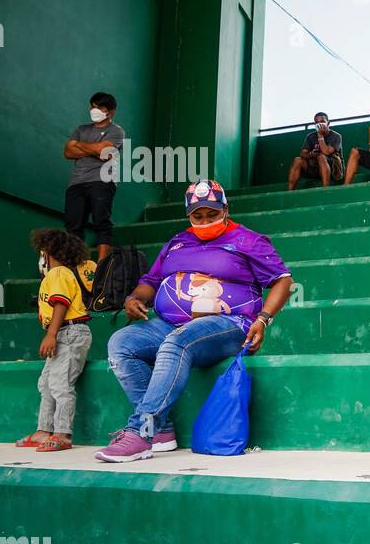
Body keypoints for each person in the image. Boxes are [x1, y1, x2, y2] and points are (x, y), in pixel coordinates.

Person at [95, 180, 293, 463]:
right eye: (197, 216)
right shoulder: (177, 242)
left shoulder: (248, 240)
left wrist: (263, 319)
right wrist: (135, 297)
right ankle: (161, 431)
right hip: (169, 323)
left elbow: (282, 281)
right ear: (188, 214)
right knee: (121, 343)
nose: (204, 221)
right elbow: (151, 280)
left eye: (212, 214)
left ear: (225, 209)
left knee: (177, 342)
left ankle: (141, 432)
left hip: (230, 324)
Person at [14, 229, 97, 453]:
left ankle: (62, 434)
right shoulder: (56, 275)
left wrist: (51, 334)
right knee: (46, 383)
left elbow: (61, 304)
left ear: (48, 253)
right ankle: (43, 430)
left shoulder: (59, 273)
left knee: (61, 385)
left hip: (69, 333)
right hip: (62, 332)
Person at [63, 92, 124, 261]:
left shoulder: (116, 132)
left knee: (101, 222)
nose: (94, 110)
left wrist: (80, 146)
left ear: (110, 112)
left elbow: (103, 152)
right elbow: (68, 152)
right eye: (93, 106)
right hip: (76, 182)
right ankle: (76, 265)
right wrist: (93, 148)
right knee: (73, 225)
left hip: (102, 180)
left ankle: (102, 266)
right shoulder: (81, 129)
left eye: (100, 107)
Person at [287, 112, 344, 191]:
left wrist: (320, 135)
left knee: (321, 157)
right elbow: (303, 153)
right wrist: (311, 154)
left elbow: (326, 152)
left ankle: (325, 190)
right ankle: (290, 192)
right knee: (297, 160)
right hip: (314, 168)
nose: (319, 124)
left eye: (322, 121)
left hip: (332, 169)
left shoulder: (336, 136)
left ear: (328, 123)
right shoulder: (310, 136)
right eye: (317, 122)